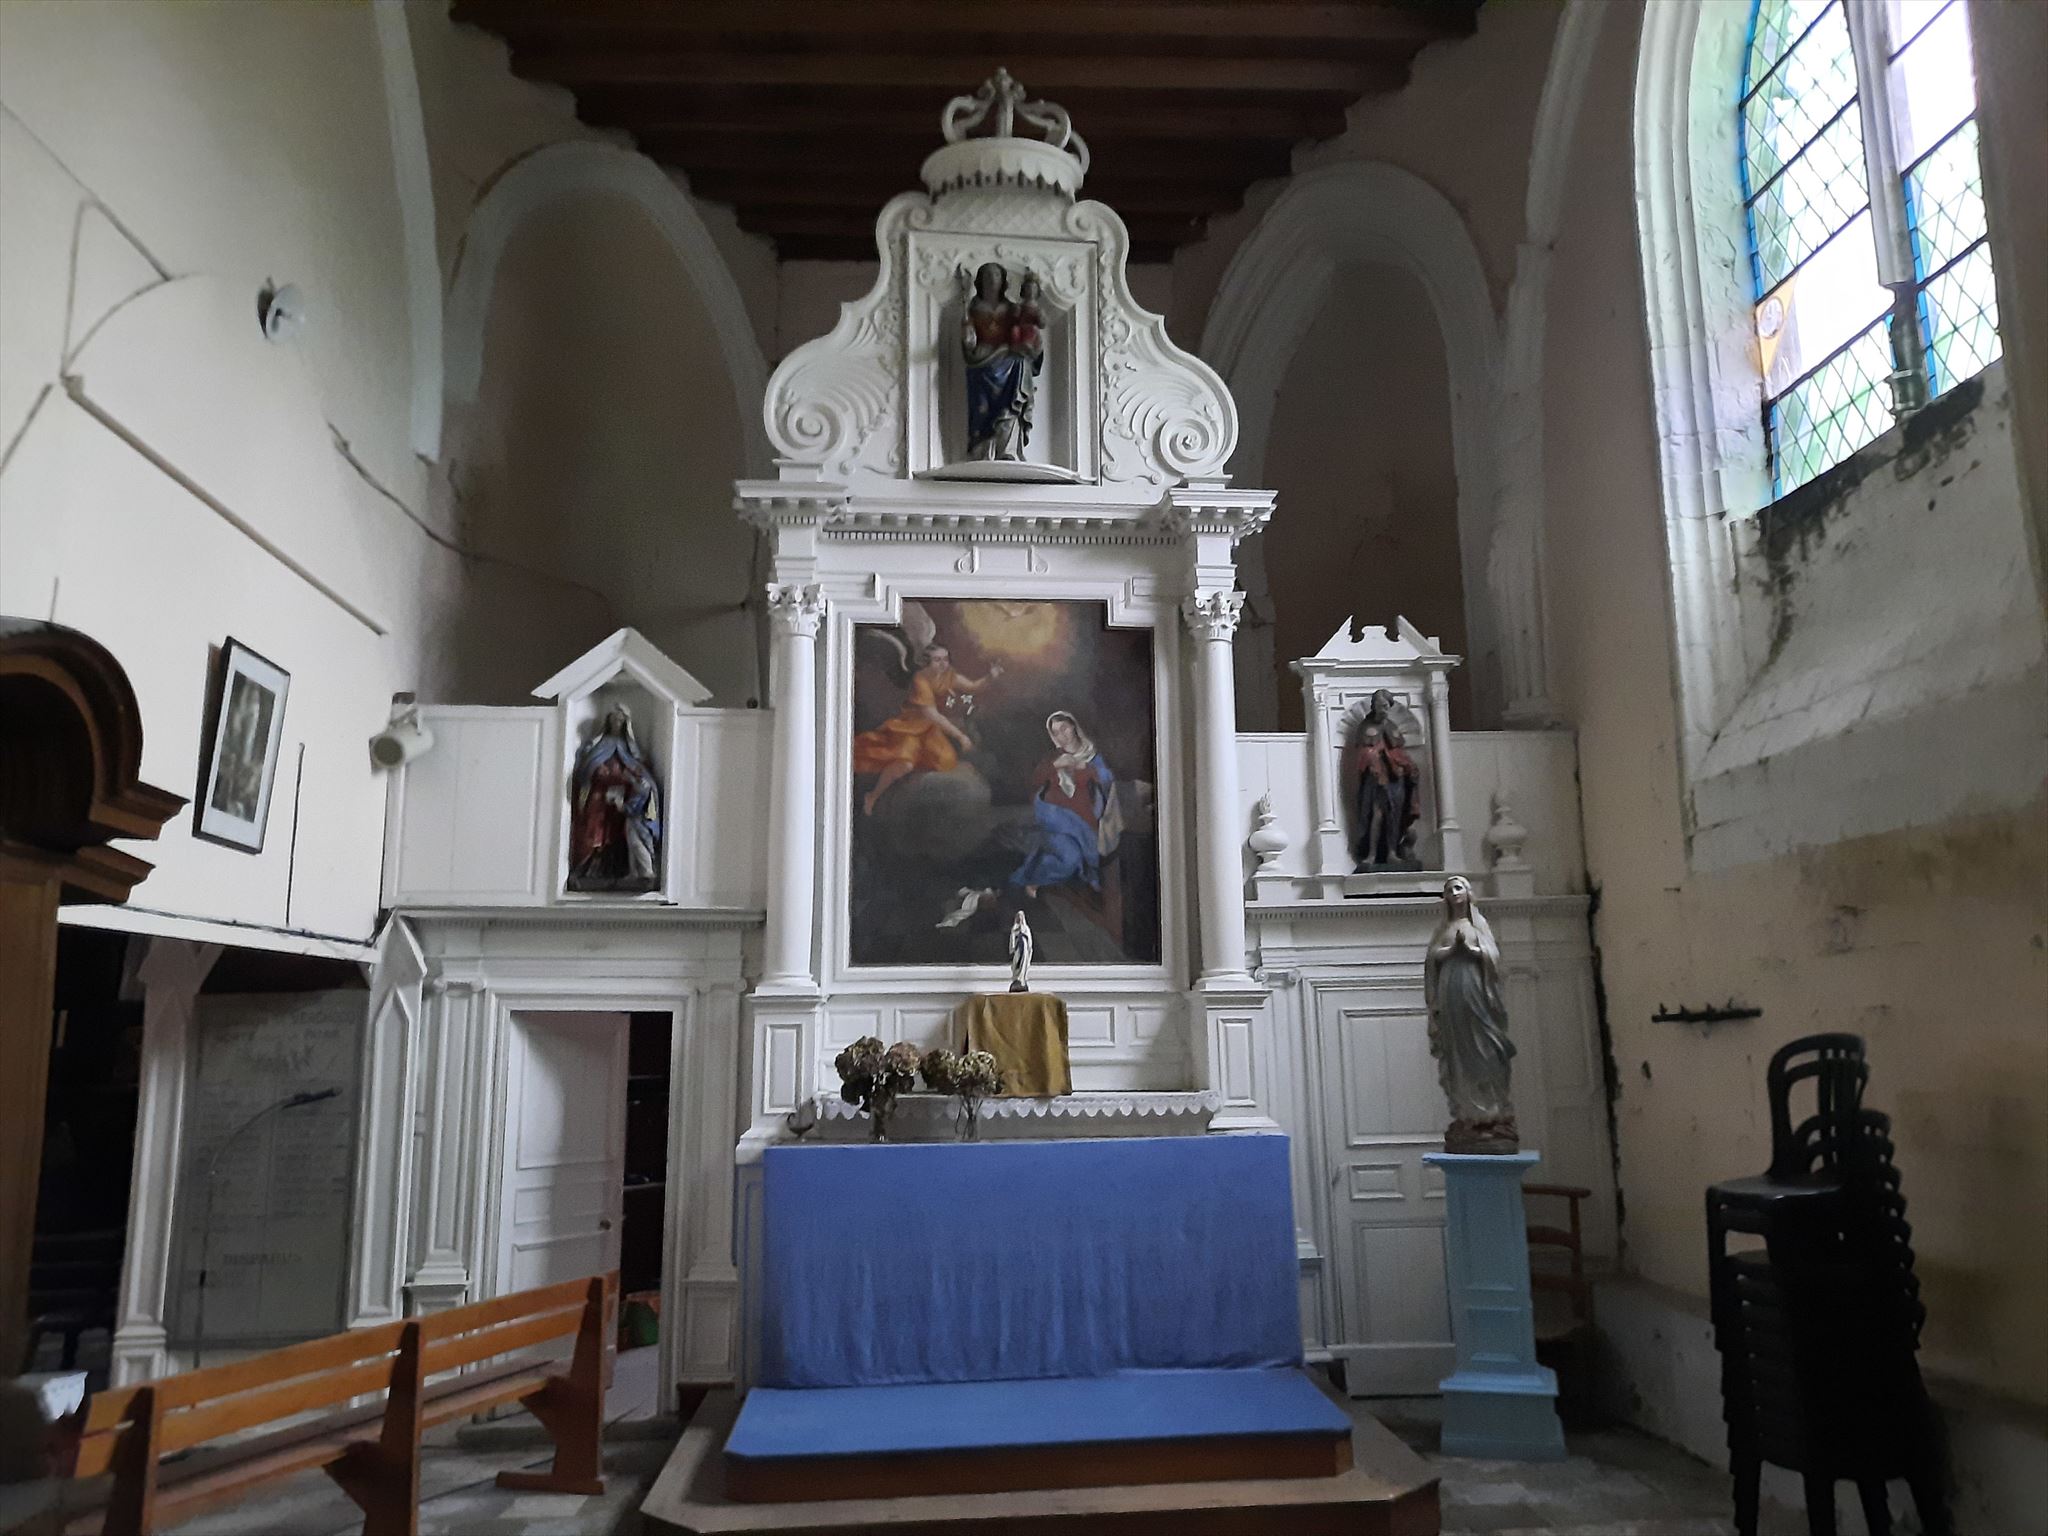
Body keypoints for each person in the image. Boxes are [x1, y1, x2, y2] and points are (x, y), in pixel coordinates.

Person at [1422, 875, 1518, 1151]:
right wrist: (1452, 950)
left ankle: (1492, 1112)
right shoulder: (1444, 929)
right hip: (1452, 991)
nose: (1454, 893)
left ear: (1467, 893)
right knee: (1458, 1049)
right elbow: (1431, 961)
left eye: (1458, 888)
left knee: (1485, 1046)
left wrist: (1473, 951)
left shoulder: (1479, 925)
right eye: (1449, 890)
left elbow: (1493, 957)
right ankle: (1467, 1113)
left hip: (1476, 989)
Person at [853, 643, 1002, 815]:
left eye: (945, 659)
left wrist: (991, 676)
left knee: (945, 760)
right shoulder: (920, 680)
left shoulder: (947, 676)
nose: (943, 664)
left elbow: (972, 687)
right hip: (910, 728)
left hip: (929, 730)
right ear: (926, 663)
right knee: (905, 764)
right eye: (937, 660)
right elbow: (932, 715)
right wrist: (960, 736)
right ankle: (873, 796)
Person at [1009, 711, 1122, 899]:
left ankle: (1033, 877)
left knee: (1079, 856)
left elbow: (1108, 779)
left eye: (1064, 728)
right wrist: (1055, 767)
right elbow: (1036, 781)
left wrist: (1084, 768)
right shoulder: (1053, 758)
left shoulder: (1092, 756)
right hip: (1054, 818)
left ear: (1074, 727)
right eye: (1056, 732)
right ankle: (1032, 879)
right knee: (1070, 858)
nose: (1062, 735)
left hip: (1084, 820)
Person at [568, 707, 661, 891]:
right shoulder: (601, 744)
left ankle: (628, 870)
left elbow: (640, 771)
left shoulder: (630, 748)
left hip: (624, 802)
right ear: (608, 723)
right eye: (614, 720)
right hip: (601, 799)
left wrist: (629, 779)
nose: (616, 724)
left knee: (625, 837)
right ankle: (590, 868)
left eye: (620, 721)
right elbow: (586, 771)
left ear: (625, 724)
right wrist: (598, 770)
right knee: (597, 832)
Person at [962, 262, 1045, 460]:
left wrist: (1032, 345)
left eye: (997, 275)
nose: (992, 280)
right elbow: (969, 340)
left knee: (1015, 389)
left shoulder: (1013, 309)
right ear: (979, 282)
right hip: (982, 362)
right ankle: (983, 451)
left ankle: (1006, 449)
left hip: (1010, 360)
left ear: (1004, 282)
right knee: (982, 407)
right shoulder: (971, 308)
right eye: (987, 276)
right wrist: (968, 336)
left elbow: (1029, 330)